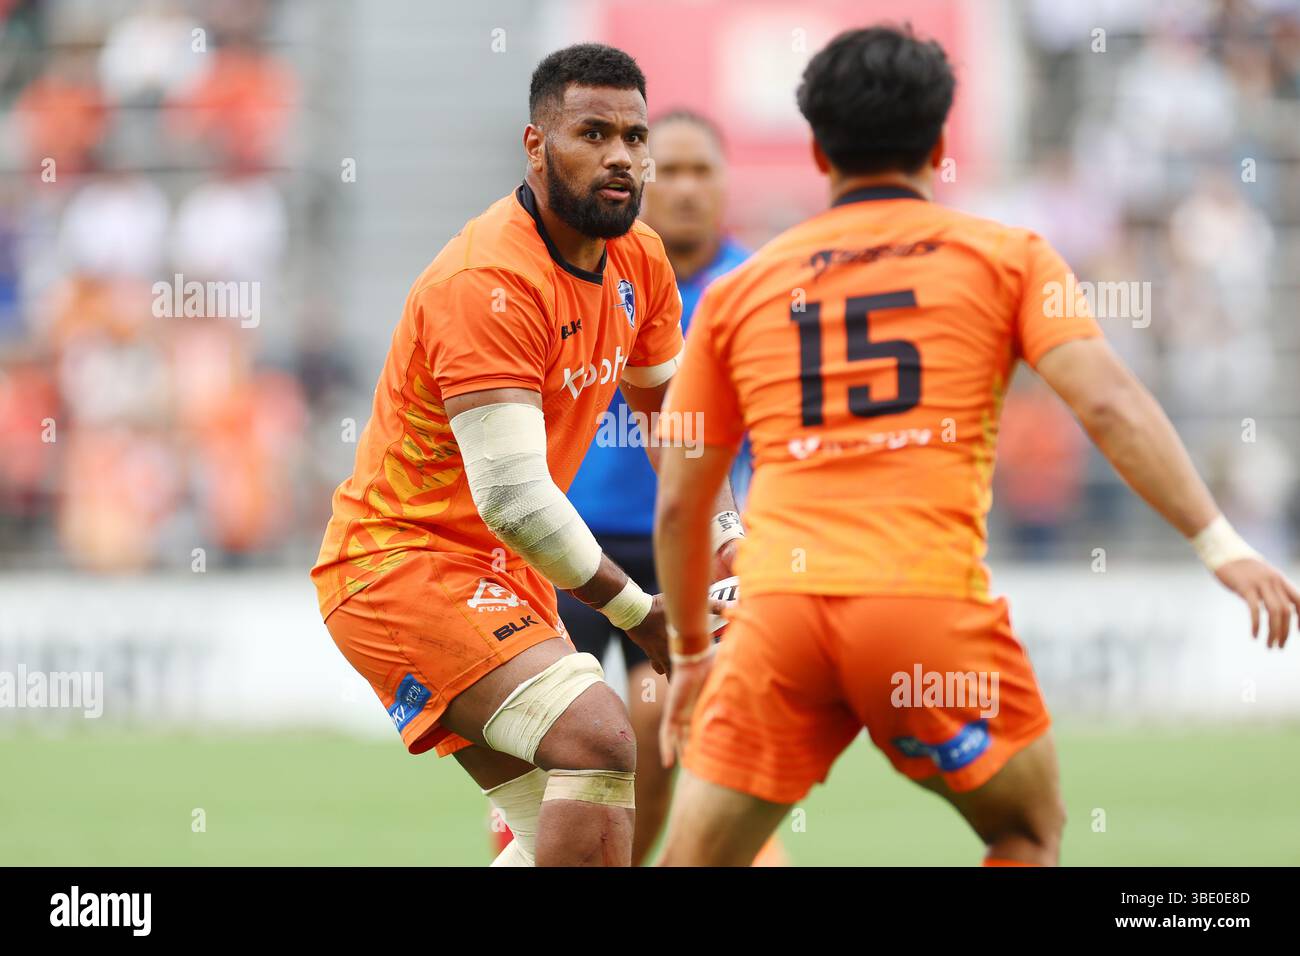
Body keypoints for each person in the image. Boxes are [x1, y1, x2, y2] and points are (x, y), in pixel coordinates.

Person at [650, 24, 1299, 867]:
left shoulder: (741, 289)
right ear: (942, 140)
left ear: (816, 149)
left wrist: (694, 656)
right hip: (921, 612)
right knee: (1025, 831)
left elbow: (681, 497)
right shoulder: (1007, 258)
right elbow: (1107, 405)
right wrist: (1220, 543)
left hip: (778, 621)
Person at [311, 43, 737, 867]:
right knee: (604, 740)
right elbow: (512, 496)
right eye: (594, 133)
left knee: (567, 829)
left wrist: (727, 529)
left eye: (635, 136)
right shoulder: (485, 280)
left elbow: (671, 418)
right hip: (401, 566)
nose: (623, 156)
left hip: (505, 570)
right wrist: (637, 612)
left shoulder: (641, 258)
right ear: (536, 146)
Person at [553, 109, 753, 865]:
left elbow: (773, 430)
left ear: (727, 183)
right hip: (567, 539)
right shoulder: (581, 268)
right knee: (553, 739)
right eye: (673, 170)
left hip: (684, 541)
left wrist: (748, 532)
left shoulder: (753, 288)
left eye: (706, 170)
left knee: (661, 718)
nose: (690, 189)